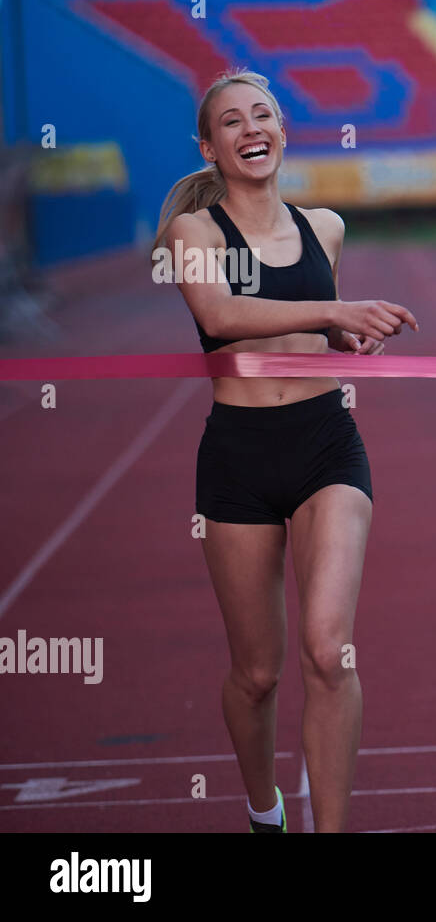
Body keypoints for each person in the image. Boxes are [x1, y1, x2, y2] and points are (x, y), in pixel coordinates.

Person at [153, 69, 419, 832]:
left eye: (262, 114)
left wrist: (341, 335)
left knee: (329, 650)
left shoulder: (324, 227)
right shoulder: (193, 234)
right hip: (238, 456)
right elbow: (222, 310)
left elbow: (307, 330)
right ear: (210, 146)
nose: (250, 129)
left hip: (326, 445)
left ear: (282, 129)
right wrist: (335, 306)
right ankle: (264, 811)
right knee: (258, 672)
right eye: (231, 121)